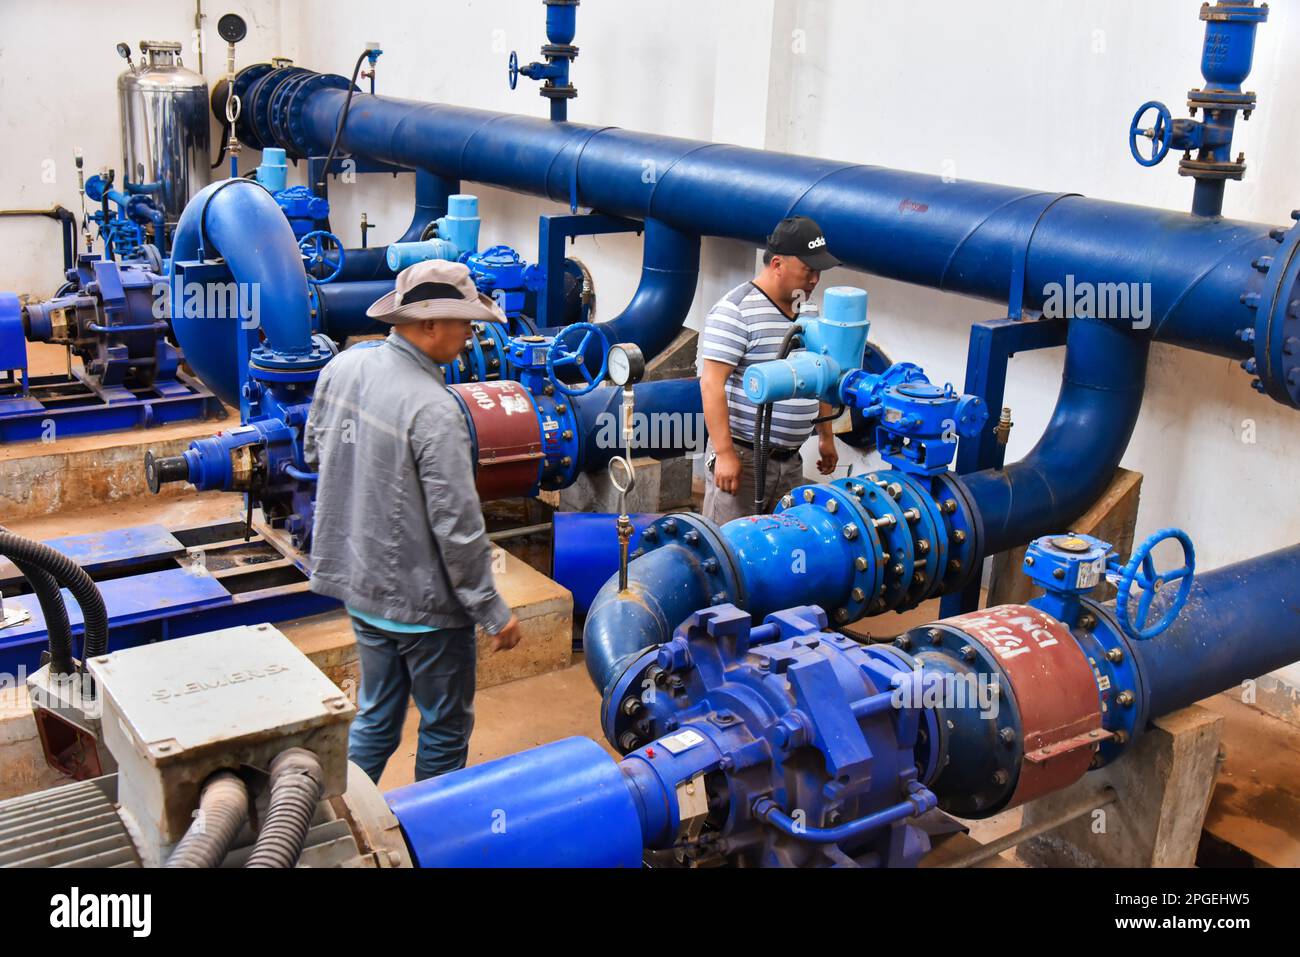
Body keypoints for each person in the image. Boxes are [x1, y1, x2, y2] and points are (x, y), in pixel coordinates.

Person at [304, 259, 523, 783]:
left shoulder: (345, 365)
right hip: (427, 613)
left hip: (363, 591)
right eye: (464, 323)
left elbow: (315, 450)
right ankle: (430, 841)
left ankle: (347, 824)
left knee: (377, 718)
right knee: (445, 728)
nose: (471, 337)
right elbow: (458, 525)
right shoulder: (435, 408)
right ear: (428, 324)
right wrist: (492, 609)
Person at [698, 215, 842, 524]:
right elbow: (711, 384)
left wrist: (825, 436)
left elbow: (821, 374)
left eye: (818, 271)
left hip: (789, 461)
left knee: (782, 548)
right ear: (777, 264)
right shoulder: (736, 310)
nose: (815, 279)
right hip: (744, 458)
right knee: (731, 548)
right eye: (808, 270)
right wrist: (724, 453)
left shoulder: (808, 314)